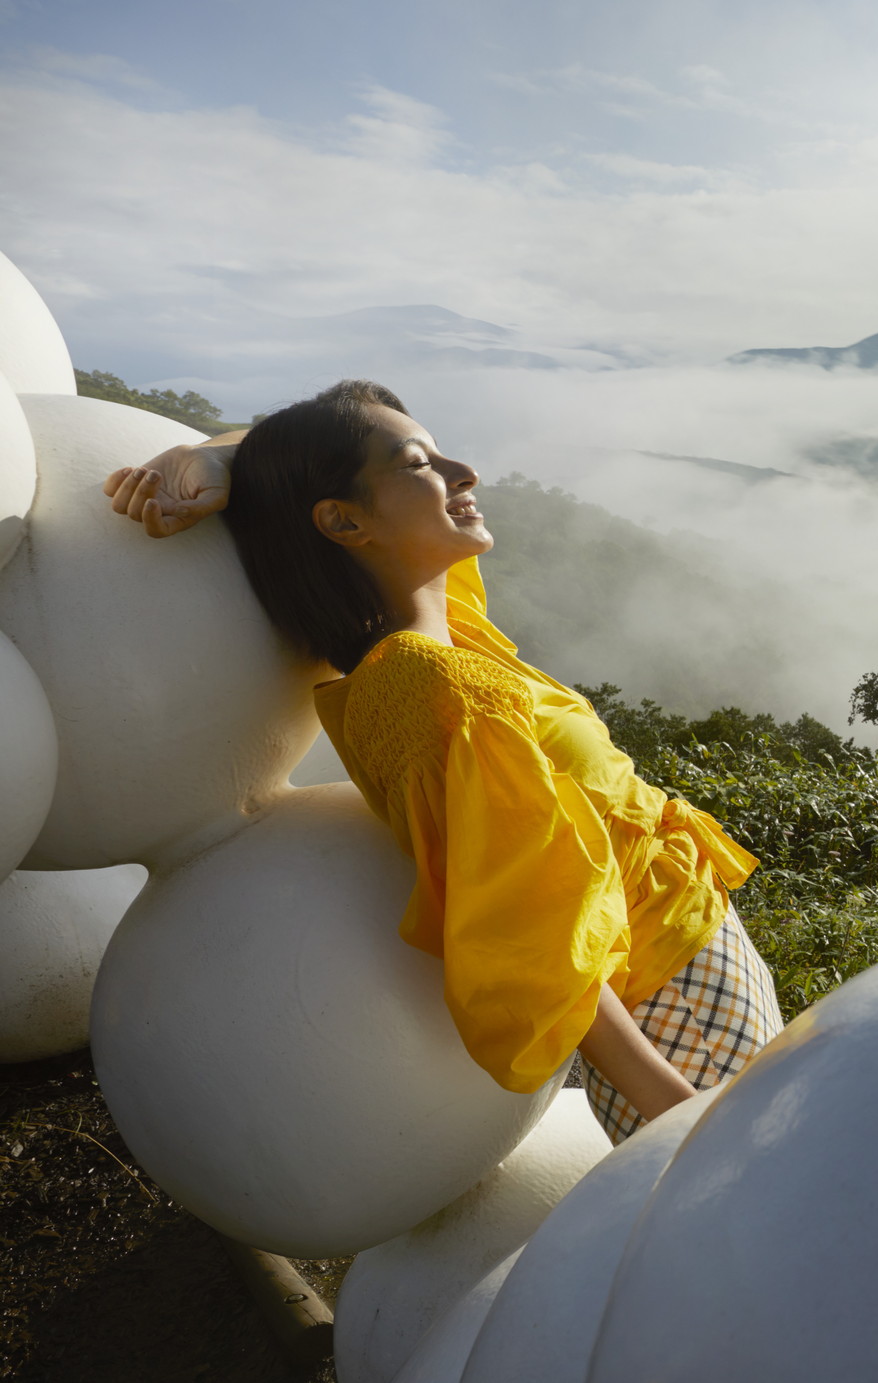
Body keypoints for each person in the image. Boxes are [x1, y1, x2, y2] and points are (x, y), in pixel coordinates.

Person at [102, 379, 781, 1143]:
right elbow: (536, 929)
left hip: (690, 967)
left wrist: (207, 459)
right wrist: (679, 1113)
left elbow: (304, 449)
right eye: (422, 463)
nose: (467, 472)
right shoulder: (427, 682)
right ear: (345, 521)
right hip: (676, 1011)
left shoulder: (442, 628)